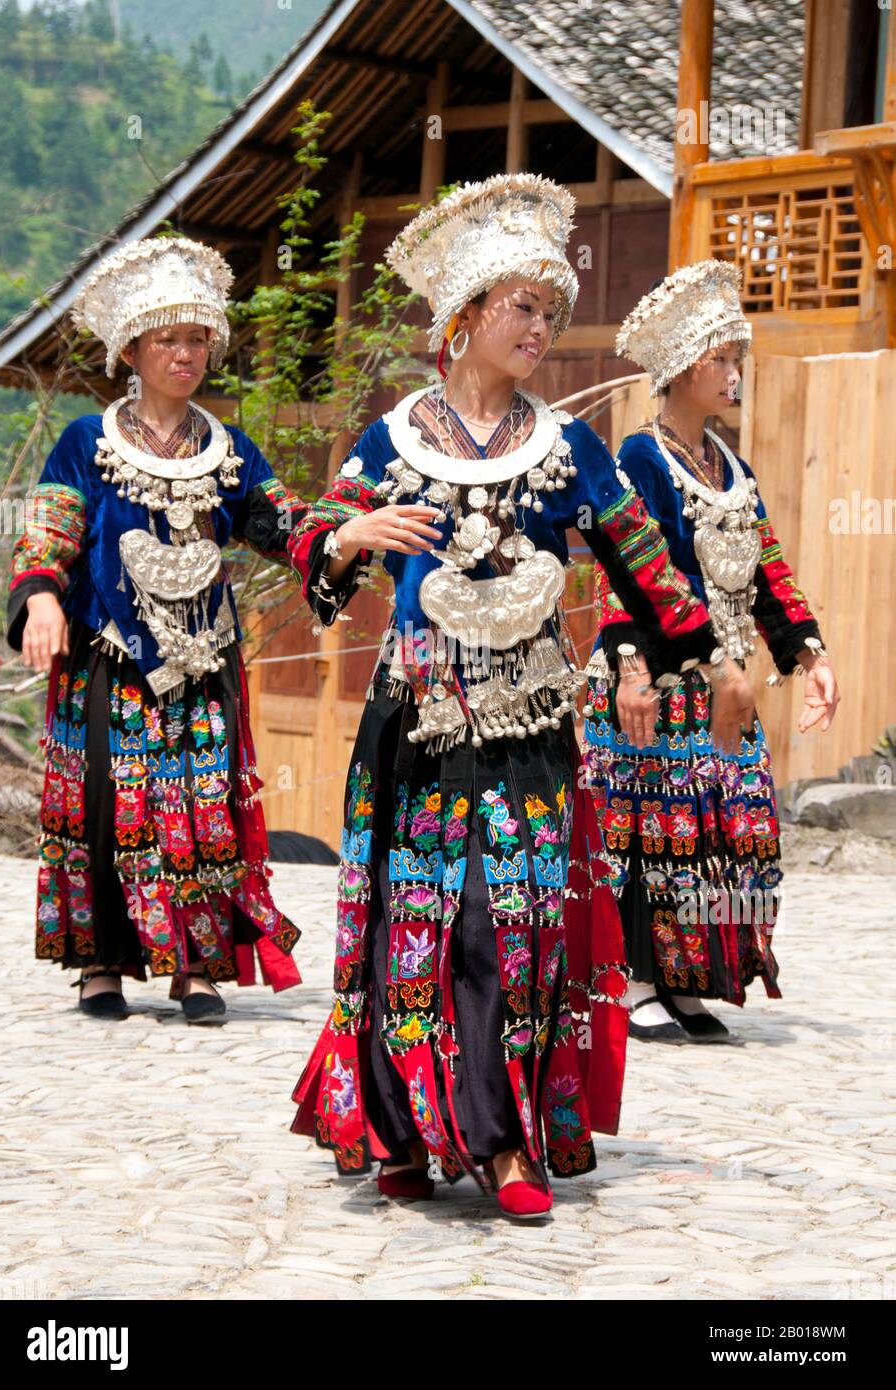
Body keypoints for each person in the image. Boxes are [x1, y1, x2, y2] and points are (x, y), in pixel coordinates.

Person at [287, 176, 742, 1219]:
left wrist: (720, 655)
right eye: (520, 307)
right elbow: (319, 539)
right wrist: (351, 535)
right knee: (412, 926)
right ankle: (404, 1129)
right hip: (418, 732)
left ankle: (499, 1142)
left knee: (509, 922)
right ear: (460, 318)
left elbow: (649, 569)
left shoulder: (570, 450)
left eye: (550, 309)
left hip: (531, 735)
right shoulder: (390, 440)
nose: (540, 325)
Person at [8, 236, 305, 1024]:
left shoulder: (228, 448)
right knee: (108, 803)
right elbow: (50, 526)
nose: (186, 353)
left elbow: (281, 524)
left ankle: (194, 966)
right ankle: (100, 960)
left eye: (198, 338)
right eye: (168, 339)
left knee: (198, 805)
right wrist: (40, 597)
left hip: (202, 659)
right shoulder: (86, 442)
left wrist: (342, 536)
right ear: (132, 350)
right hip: (108, 657)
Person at [584, 260, 840, 1044]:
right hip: (660, 678)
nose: (733, 374)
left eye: (735, 358)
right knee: (650, 829)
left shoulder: (730, 467)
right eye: (722, 359)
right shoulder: (638, 459)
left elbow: (767, 569)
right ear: (683, 367)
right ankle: (632, 979)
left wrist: (807, 654)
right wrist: (634, 670)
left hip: (729, 684)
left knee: (722, 831)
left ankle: (685, 977)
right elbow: (629, 575)